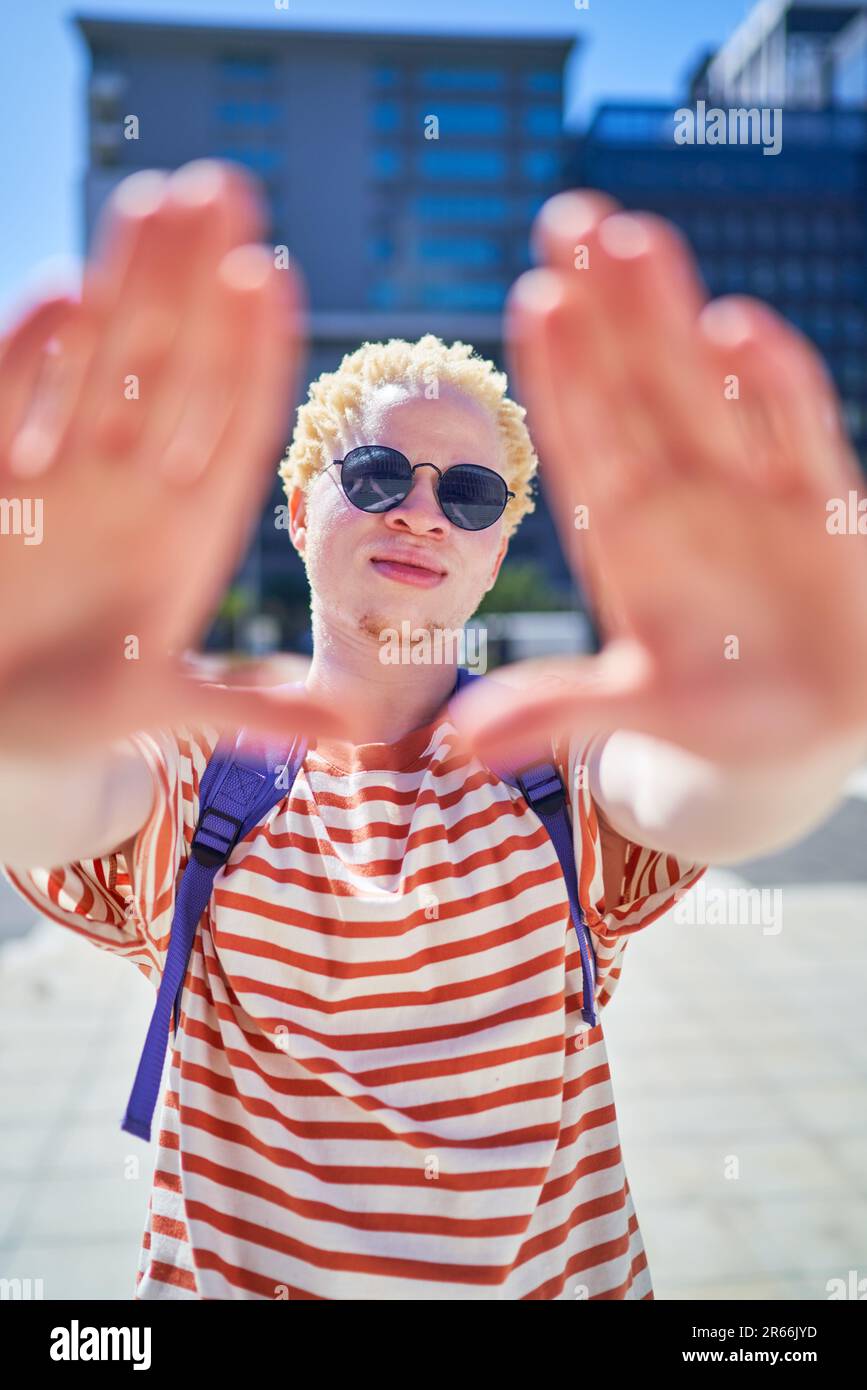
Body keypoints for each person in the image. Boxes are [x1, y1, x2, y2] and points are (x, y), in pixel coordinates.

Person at [2, 161, 866, 1300]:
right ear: (300, 505)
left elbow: (696, 791)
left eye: (468, 495)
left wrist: (794, 735)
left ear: (498, 550)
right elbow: (55, 796)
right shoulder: (200, 759)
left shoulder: (559, 761)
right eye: (375, 473)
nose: (419, 509)